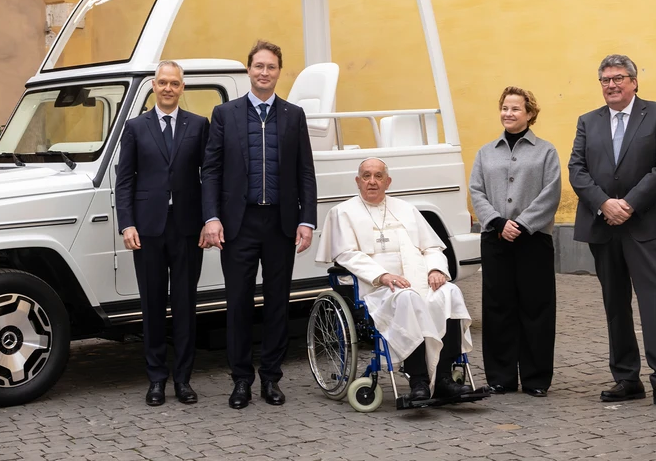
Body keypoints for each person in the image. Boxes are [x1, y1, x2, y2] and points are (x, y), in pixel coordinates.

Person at [200, 40, 317, 409]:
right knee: (237, 304)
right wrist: (212, 216)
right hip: (239, 224)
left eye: (271, 67)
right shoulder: (225, 114)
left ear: (279, 72)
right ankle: (240, 380)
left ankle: (271, 378)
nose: (264, 72)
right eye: (258, 66)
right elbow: (211, 171)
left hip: (280, 224)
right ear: (248, 71)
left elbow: (305, 172)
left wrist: (307, 220)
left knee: (278, 304)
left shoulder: (293, 115)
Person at [568, 54, 656, 410]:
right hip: (603, 225)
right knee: (615, 304)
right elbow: (577, 169)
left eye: (618, 78)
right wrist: (604, 204)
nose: (611, 85)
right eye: (605, 80)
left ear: (634, 82)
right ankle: (626, 378)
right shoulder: (588, 122)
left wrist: (629, 204)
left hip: (648, 224)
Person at [317, 158, 475, 401]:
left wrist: (435, 270)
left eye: (378, 176)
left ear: (387, 181)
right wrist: (382, 275)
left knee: (449, 293)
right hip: (376, 289)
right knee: (407, 299)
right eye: (366, 176)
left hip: (418, 281)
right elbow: (346, 254)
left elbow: (432, 247)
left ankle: (443, 378)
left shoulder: (406, 209)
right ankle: (419, 380)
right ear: (357, 181)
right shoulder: (343, 212)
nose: (372, 181)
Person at [115, 60, 209, 406]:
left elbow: (208, 176)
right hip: (148, 229)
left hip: (187, 228)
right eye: (163, 82)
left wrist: (208, 219)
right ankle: (156, 380)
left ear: (182, 88)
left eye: (175, 83)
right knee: (152, 306)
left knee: (185, 305)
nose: (168, 88)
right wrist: (127, 223)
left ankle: (183, 380)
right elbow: (124, 180)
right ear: (153, 86)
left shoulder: (199, 125)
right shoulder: (135, 127)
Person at [469, 87, 561, 397]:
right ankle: (500, 377)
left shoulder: (546, 152)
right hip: (495, 239)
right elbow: (476, 191)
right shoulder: (485, 152)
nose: (508, 113)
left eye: (516, 109)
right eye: (505, 108)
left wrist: (521, 224)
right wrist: (496, 222)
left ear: (530, 113)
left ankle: (536, 379)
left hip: (533, 240)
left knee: (536, 309)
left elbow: (551, 193)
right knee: (498, 309)